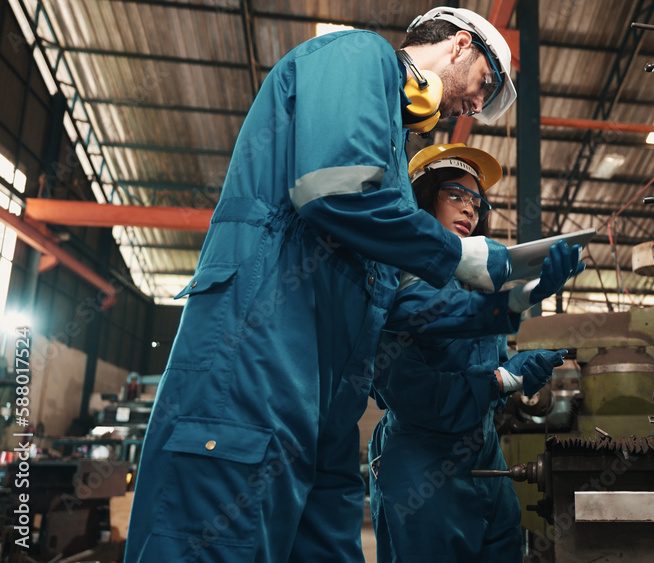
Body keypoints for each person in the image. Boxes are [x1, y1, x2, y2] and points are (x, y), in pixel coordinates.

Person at [125, 8, 519, 562]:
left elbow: (393, 301)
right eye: (484, 85)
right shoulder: (359, 56)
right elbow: (333, 192)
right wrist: (456, 256)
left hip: (327, 402)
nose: (476, 107)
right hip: (254, 361)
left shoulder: (395, 167)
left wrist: (506, 306)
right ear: (459, 45)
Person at [367, 144, 583, 562]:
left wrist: (519, 373)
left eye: (476, 202)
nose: (469, 209)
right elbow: (413, 394)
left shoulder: (478, 286)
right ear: (422, 198)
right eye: (455, 195)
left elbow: (490, 367)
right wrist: (501, 380)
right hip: (423, 467)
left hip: (486, 458)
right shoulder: (393, 281)